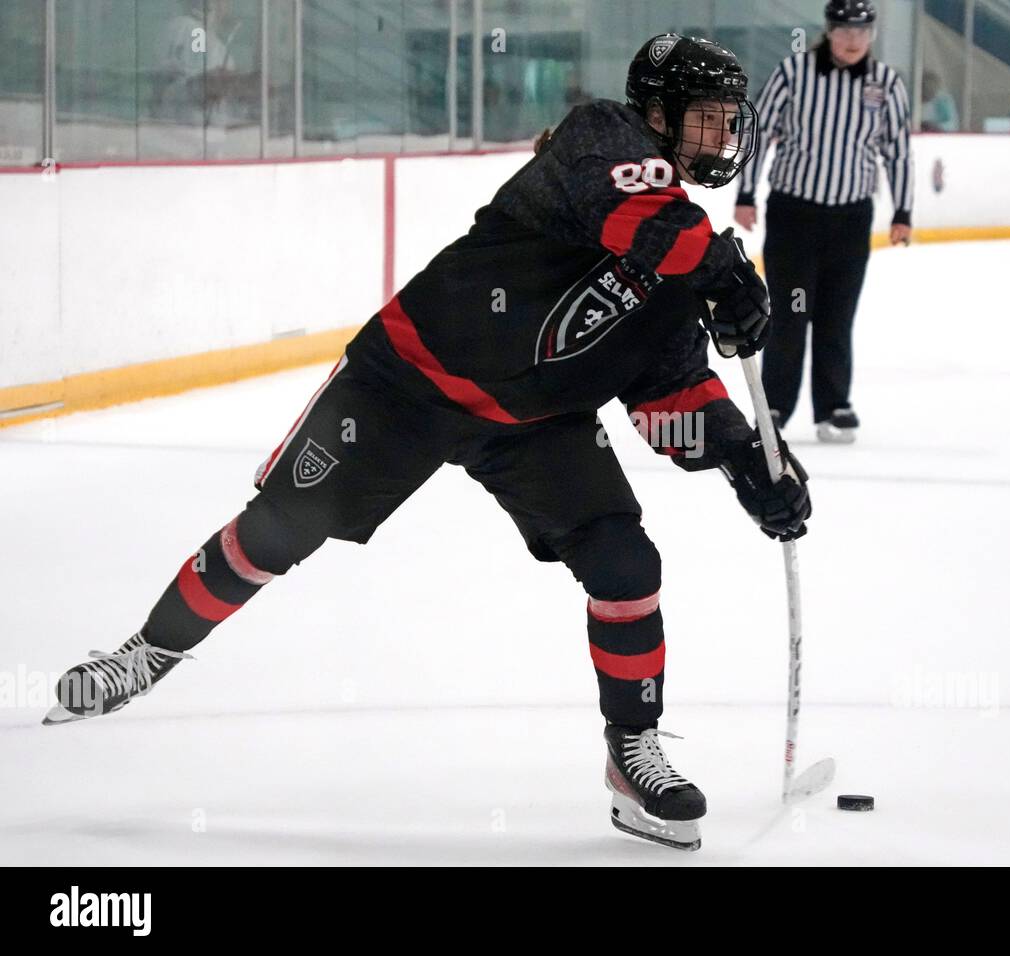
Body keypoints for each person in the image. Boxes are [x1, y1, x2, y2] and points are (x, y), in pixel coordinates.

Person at [44, 34, 811, 853]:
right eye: (705, 120)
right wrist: (722, 267)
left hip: (532, 422)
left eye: (731, 122)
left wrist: (743, 460)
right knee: (276, 532)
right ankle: (145, 654)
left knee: (626, 562)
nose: (722, 138)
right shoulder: (600, 140)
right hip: (408, 380)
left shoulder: (687, 261)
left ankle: (631, 752)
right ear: (655, 113)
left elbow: (670, 402)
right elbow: (639, 220)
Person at [735, 0, 914, 444]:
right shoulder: (793, 73)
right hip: (794, 215)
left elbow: (898, 150)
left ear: (871, 34)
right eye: (845, 30)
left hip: (851, 220)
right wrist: (745, 193)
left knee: (837, 316)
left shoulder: (886, 83)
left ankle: (834, 406)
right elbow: (759, 131)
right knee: (791, 312)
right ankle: (774, 405)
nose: (853, 40)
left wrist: (903, 211)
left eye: (862, 31)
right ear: (830, 31)